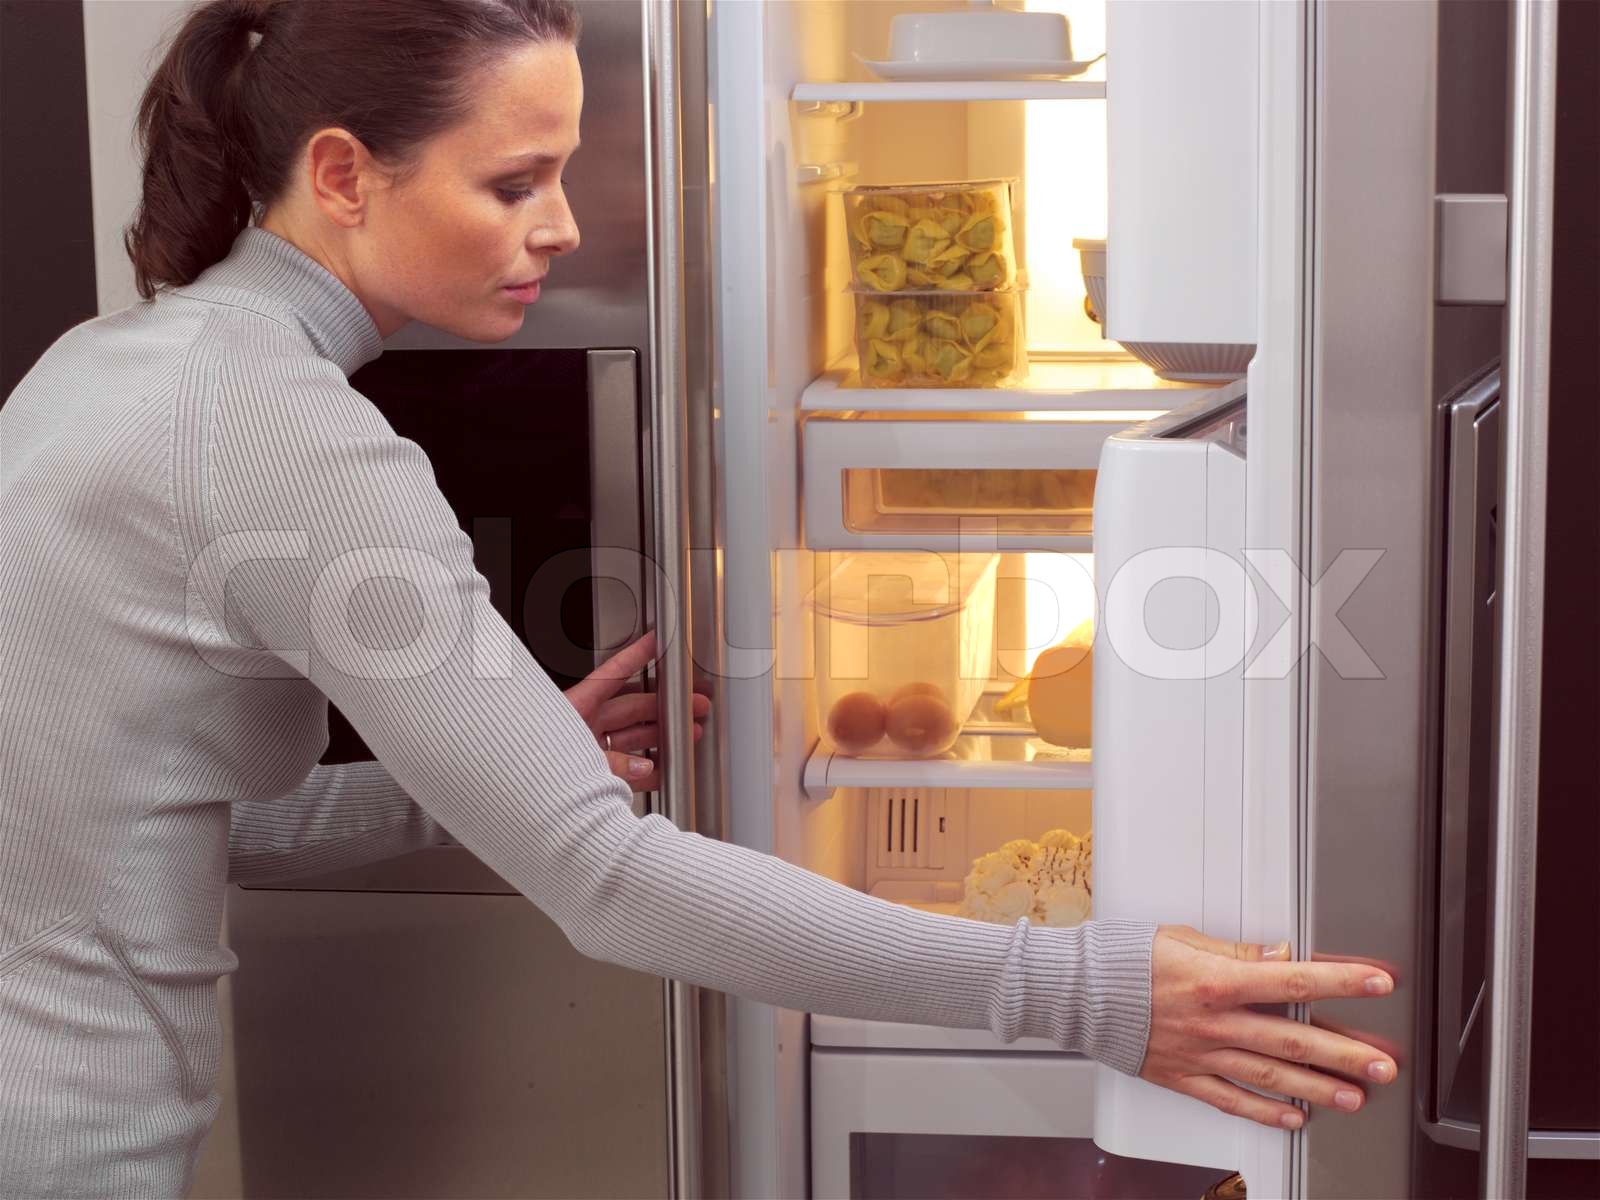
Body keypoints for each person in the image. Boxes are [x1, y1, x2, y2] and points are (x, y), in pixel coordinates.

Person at [0, 0, 1398, 1193]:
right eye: (511, 183)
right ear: (344, 173)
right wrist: (1092, 995)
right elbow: (610, 886)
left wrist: (488, 766)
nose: (558, 225)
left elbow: (168, 816)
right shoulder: (282, 431)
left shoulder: (115, 367)